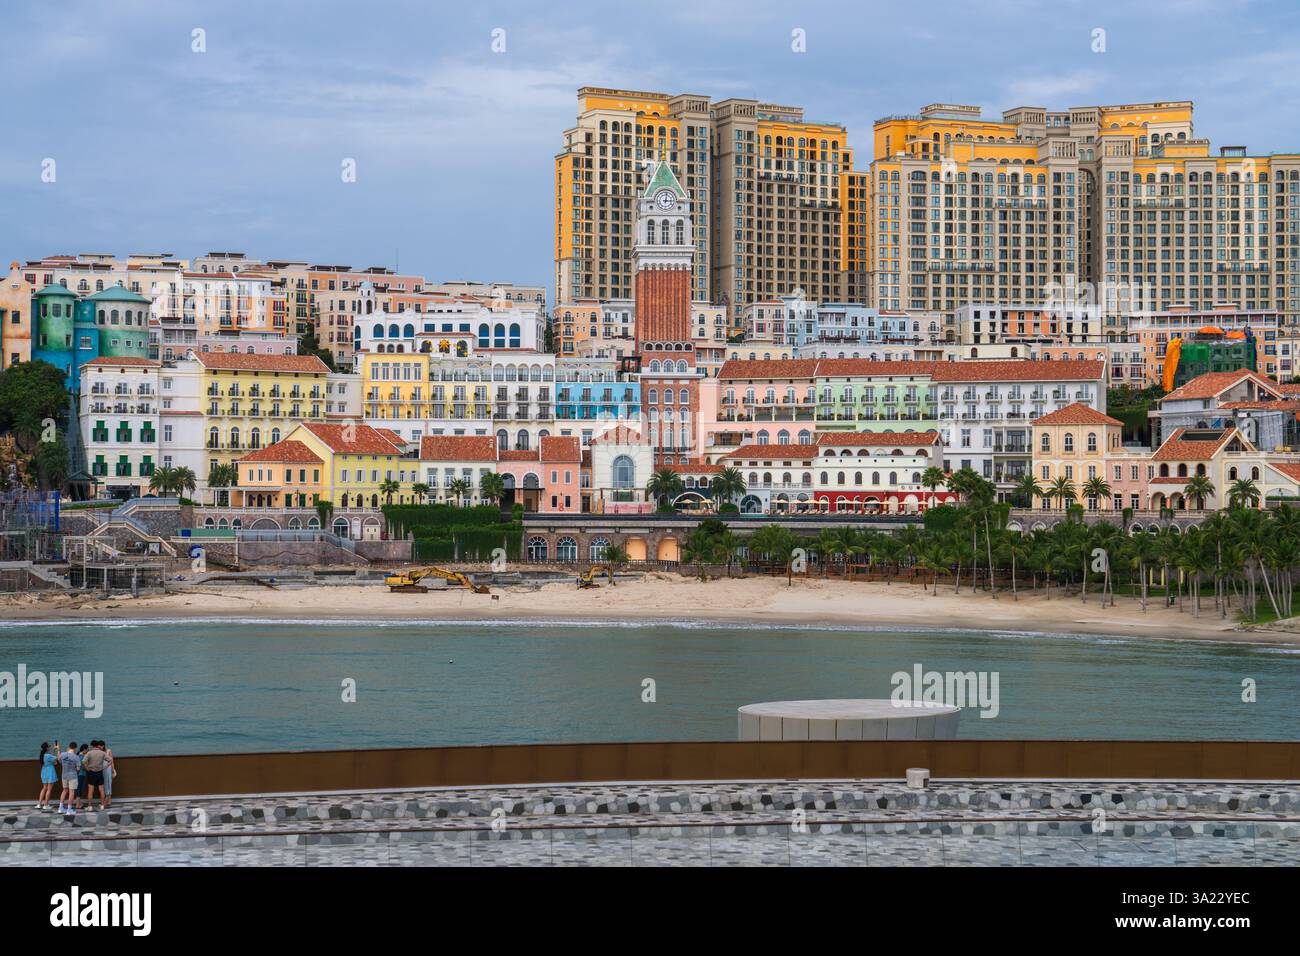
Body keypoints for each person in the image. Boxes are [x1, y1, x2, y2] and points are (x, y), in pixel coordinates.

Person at [57, 742, 81, 817]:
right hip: (72, 776)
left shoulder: (63, 754)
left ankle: (60, 808)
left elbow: (59, 760)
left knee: (64, 790)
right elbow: (78, 768)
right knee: (71, 792)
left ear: (69, 747)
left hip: (64, 775)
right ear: (75, 748)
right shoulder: (76, 757)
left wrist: (58, 749)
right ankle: (69, 810)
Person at [82, 741, 107, 811]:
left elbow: (83, 761)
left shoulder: (89, 753)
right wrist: (104, 767)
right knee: (101, 790)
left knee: (90, 790)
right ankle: (102, 805)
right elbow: (110, 760)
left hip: (91, 773)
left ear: (92, 746)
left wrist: (87, 768)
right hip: (100, 772)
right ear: (97, 745)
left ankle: (90, 807)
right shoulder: (102, 753)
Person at [37, 742, 57, 810]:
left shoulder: (42, 755)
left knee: (44, 788)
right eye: (49, 746)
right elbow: (56, 758)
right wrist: (57, 749)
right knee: (49, 789)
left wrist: (53, 750)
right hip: (50, 772)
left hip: (44, 772)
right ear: (47, 748)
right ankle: (46, 804)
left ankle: (39, 804)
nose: (49, 747)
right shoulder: (48, 756)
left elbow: (52, 758)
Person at [102, 740, 116, 808]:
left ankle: (109, 799)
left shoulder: (108, 751)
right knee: (105, 784)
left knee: (109, 783)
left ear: (103, 745)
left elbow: (112, 761)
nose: (100, 747)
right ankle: (108, 799)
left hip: (108, 769)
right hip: (102, 769)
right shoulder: (100, 752)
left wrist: (113, 770)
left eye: (101, 746)